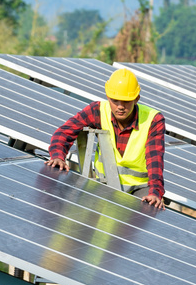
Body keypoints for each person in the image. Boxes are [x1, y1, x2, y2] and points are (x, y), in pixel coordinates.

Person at [45, 68, 165, 210]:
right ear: (108, 97)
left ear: (136, 99)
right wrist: (58, 156)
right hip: (104, 183)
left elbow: (155, 159)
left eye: (126, 101)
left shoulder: (153, 120)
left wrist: (155, 193)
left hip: (139, 190)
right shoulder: (97, 110)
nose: (120, 107)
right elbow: (64, 132)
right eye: (115, 101)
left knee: (147, 212)